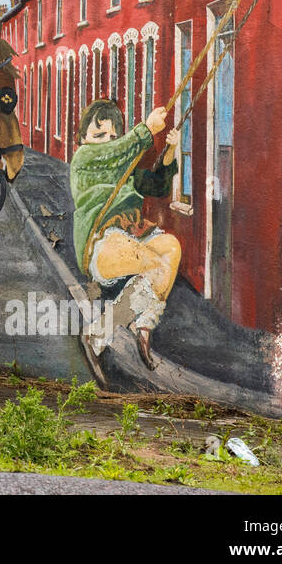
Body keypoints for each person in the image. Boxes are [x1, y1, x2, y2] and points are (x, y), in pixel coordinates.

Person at [71, 100, 181, 370]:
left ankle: (139, 325)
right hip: (101, 241)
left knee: (170, 247)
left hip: (131, 238)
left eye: (113, 136)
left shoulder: (125, 170)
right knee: (156, 265)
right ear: (83, 139)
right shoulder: (84, 159)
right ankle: (108, 331)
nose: (107, 142)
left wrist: (170, 151)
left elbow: (158, 185)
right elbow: (110, 153)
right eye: (99, 136)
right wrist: (145, 130)